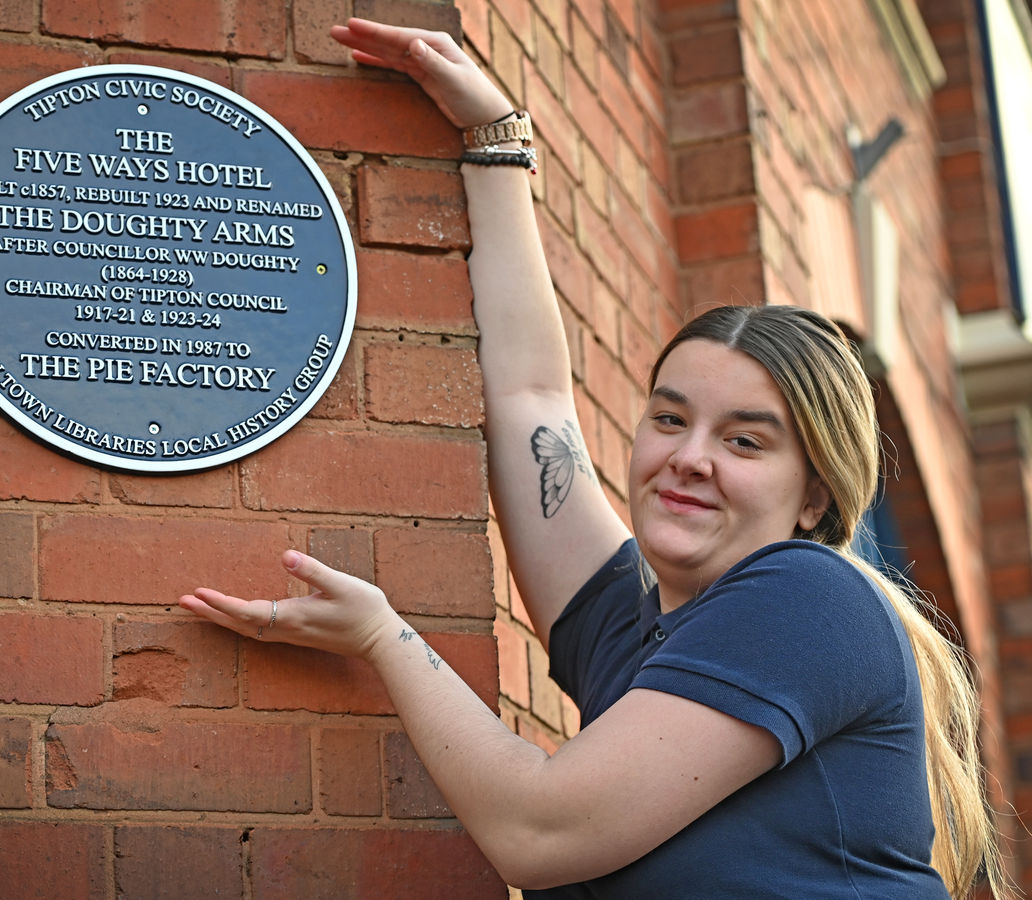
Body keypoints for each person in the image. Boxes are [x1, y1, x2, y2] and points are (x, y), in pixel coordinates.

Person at [180, 18, 1009, 898]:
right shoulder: (634, 628)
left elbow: (539, 830)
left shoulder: (811, 597)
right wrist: (498, 142)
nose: (689, 459)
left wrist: (386, 638)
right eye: (670, 418)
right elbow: (531, 398)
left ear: (814, 499)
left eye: (745, 441)